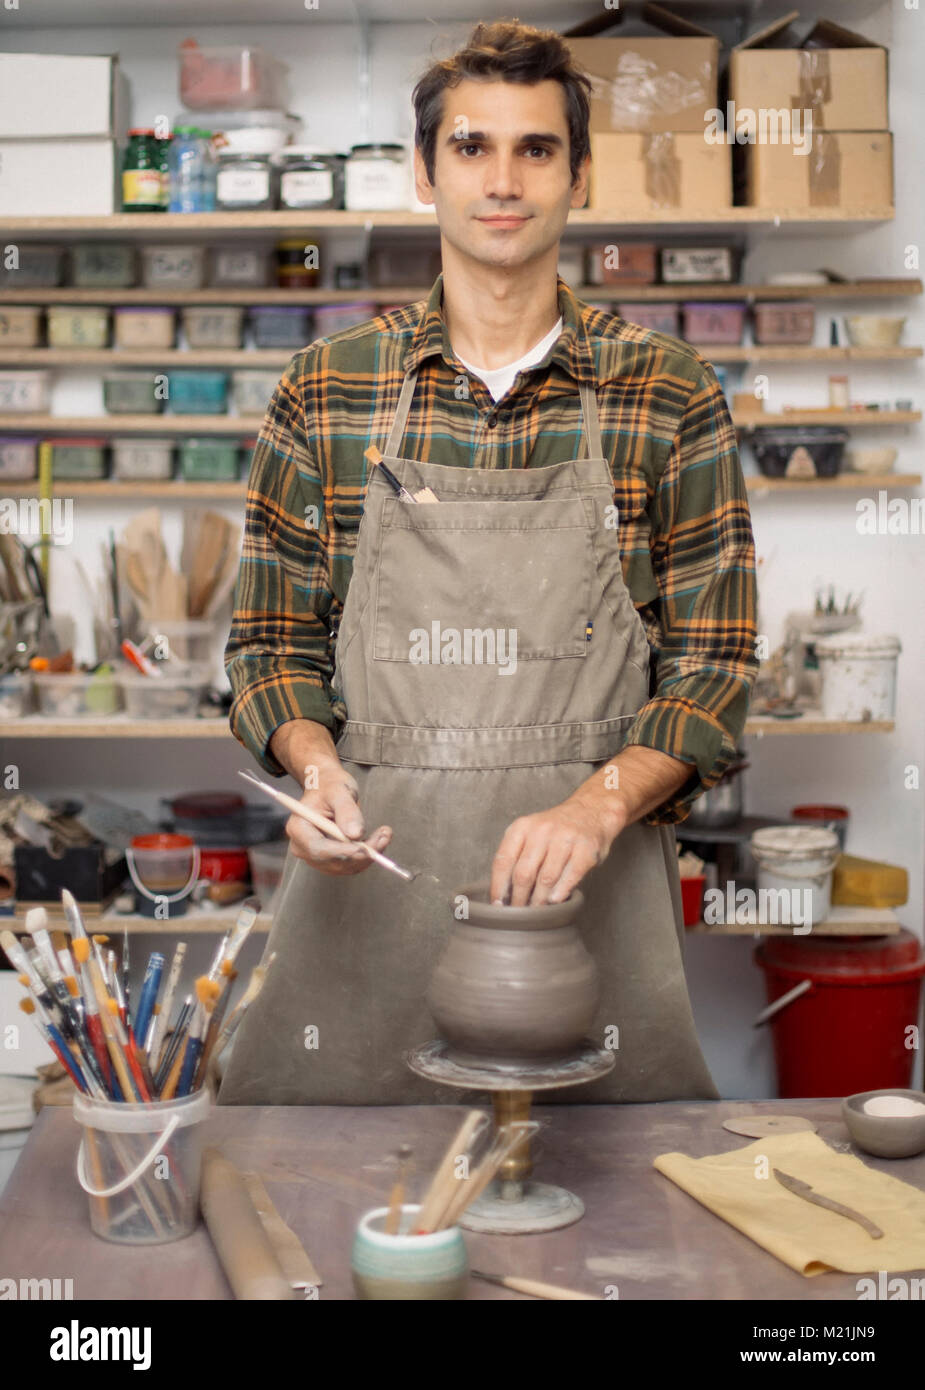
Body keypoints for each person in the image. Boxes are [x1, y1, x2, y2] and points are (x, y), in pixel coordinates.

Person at [219, 20, 758, 1106]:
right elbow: (270, 644)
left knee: (622, 1225)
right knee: (317, 1207)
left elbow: (716, 670)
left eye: (536, 149)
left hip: (586, 916)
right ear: (424, 173)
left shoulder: (668, 390)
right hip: (366, 898)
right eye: (470, 148)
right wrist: (317, 768)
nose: (502, 180)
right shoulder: (325, 390)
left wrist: (598, 806)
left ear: (579, 174)